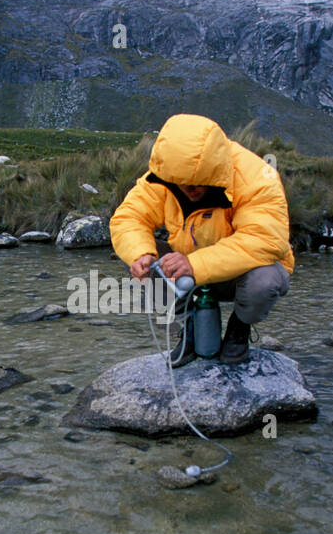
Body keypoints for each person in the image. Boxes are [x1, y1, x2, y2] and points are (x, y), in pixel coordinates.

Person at [109, 113, 294, 364]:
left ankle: (239, 327)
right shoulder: (164, 174)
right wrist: (141, 253)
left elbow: (264, 239)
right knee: (144, 263)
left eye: (198, 182)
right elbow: (129, 217)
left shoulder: (257, 177)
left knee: (264, 282)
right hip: (189, 267)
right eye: (181, 183)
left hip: (242, 273)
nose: (190, 189)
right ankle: (192, 327)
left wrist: (196, 265)